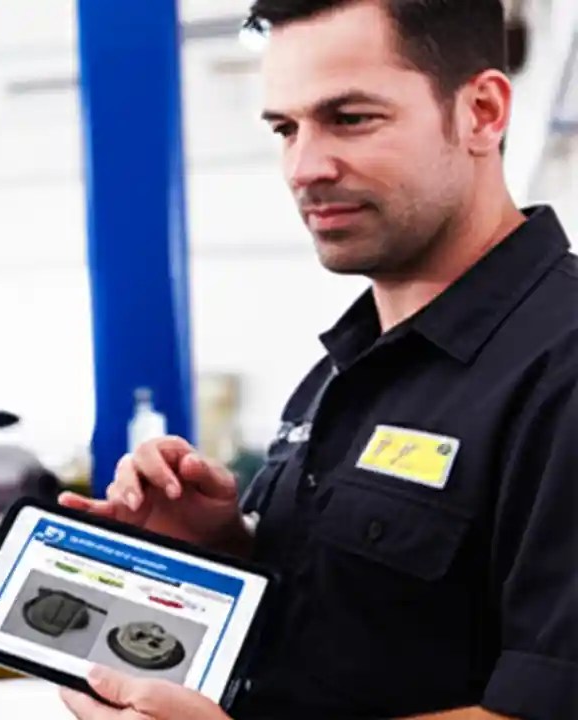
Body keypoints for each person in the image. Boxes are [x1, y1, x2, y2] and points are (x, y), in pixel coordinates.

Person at [59, 0, 578, 718]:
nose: (304, 167)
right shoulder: (342, 370)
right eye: (285, 128)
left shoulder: (561, 367)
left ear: (482, 113)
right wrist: (229, 547)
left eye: (351, 119)